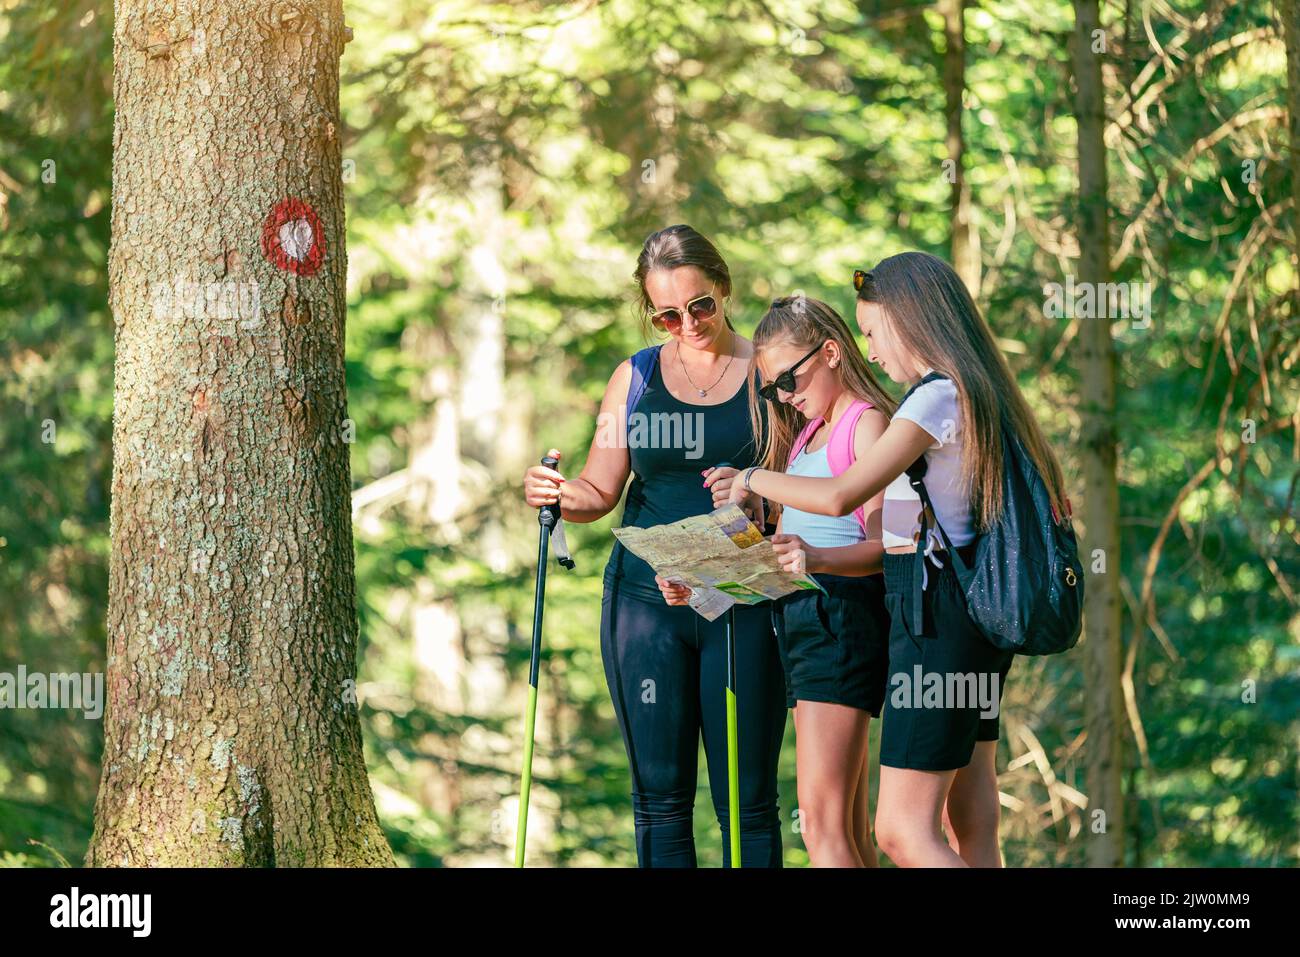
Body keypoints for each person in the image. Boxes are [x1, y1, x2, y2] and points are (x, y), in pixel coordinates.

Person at [727, 251, 1072, 867]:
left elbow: (840, 495)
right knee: (969, 811)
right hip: (976, 626)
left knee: (902, 830)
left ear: (911, 319)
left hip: (935, 625)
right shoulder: (982, 393)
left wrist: (755, 477)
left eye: (872, 331)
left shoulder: (933, 399)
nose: (874, 351)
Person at [522, 224, 787, 867]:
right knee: (660, 803)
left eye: (700, 305)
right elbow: (599, 489)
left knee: (747, 803)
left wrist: (756, 499)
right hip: (645, 601)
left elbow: (804, 489)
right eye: (668, 315)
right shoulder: (635, 377)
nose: (688, 323)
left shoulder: (770, 373)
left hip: (740, 598)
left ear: (722, 288)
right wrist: (556, 493)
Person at [744, 295, 896, 866]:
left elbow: (888, 547)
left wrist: (821, 561)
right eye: (771, 388)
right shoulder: (807, 437)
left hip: (842, 620)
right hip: (804, 621)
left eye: (790, 377)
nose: (784, 395)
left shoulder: (867, 425)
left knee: (822, 827)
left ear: (831, 352)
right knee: (848, 832)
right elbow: (792, 547)